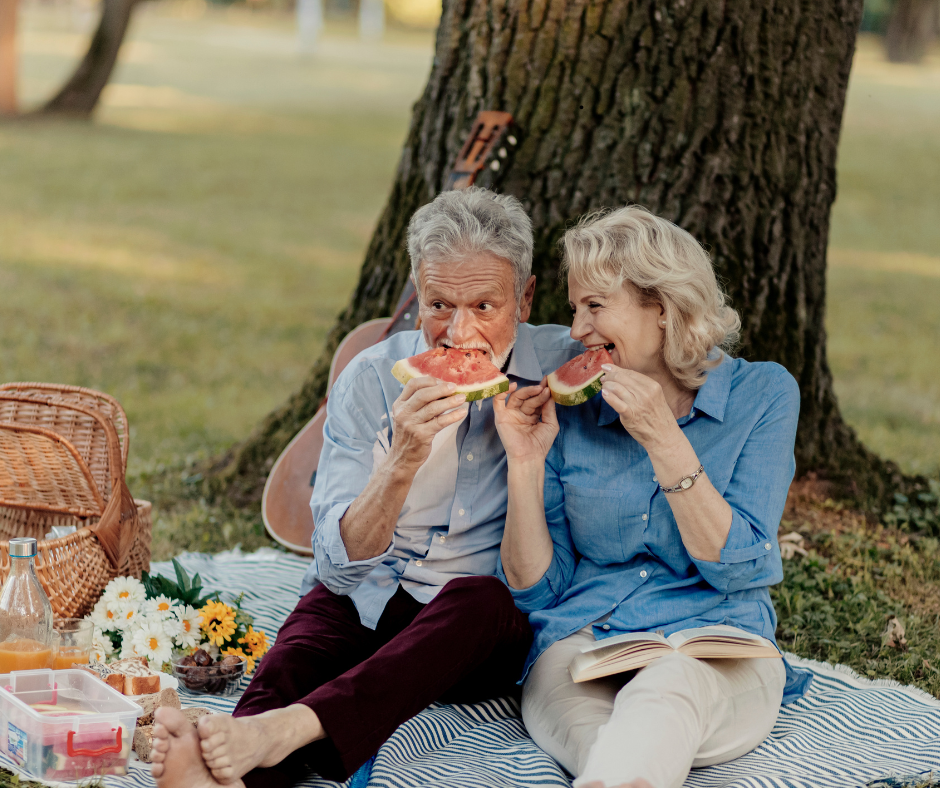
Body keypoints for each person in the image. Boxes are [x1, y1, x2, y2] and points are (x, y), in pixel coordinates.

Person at [150, 187, 583, 788]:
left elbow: (669, 359)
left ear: (527, 297)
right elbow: (338, 566)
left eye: (484, 306)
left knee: (477, 601)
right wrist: (400, 461)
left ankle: (279, 734)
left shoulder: (565, 370)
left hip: (479, 626)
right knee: (296, 656)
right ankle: (223, 767)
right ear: (416, 290)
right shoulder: (371, 377)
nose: (458, 334)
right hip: (372, 591)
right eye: (438, 305)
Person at [493, 206, 813, 788]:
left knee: (666, 689)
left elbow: (740, 565)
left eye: (594, 306)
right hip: (586, 638)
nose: (576, 330)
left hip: (714, 643)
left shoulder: (763, 393)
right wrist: (525, 463)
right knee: (603, 747)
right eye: (573, 308)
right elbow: (536, 586)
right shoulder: (576, 408)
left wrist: (663, 438)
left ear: (662, 309)